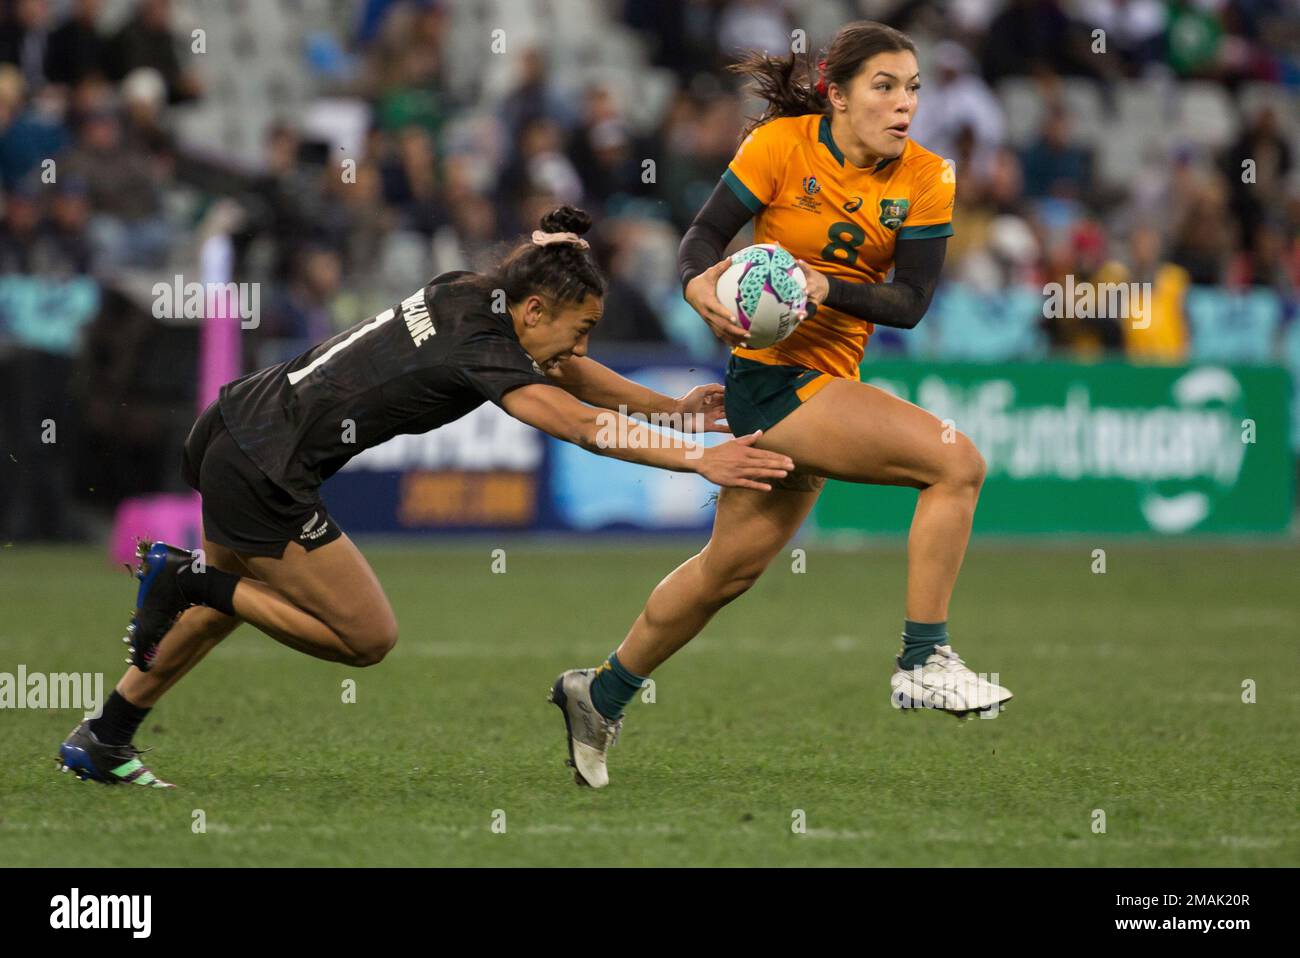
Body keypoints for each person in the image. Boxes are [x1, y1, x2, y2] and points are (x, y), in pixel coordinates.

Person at [58, 206, 795, 787]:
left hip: (237, 424)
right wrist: (699, 457)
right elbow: (575, 419)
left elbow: (569, 375)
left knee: (225, 604)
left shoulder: (466, 291)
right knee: (364, 636)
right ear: (534, 311)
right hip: (266, 464)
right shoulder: (481, 349)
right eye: (579, 331)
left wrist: (672, 410)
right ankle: (183, 575)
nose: (580, 349)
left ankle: (105, 734)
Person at [548, 21, 1011, 789]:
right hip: (771, 381)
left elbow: (911, 303)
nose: (905, 105)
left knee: (724, 574)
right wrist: (700, 287)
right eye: (885, 87)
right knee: (956, 463)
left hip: (823, 382)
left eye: (914, 88)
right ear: (837, 94)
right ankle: (924, 657)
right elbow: (701, 240)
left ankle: (598, 694)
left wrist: (831, 287)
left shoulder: (927, 177)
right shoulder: (781, 147)